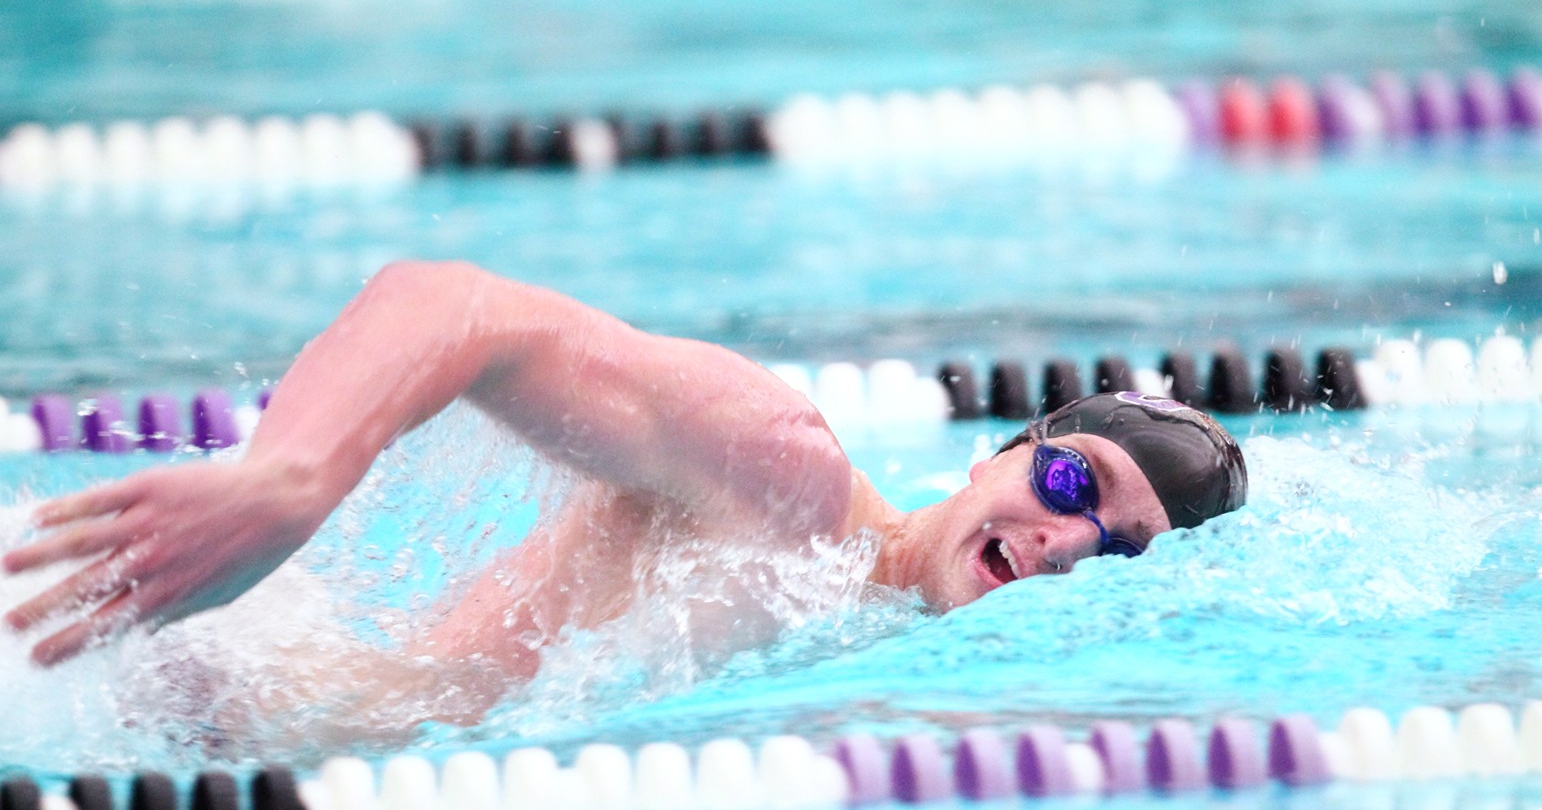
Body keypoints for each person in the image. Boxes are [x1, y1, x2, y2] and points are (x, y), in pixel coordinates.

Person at [2, 261, 1246, 727]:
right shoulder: (786, 479)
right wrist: (293, 477)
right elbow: (459, 306)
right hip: (160, 664)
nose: (1068, 538)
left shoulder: (899, 650)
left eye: (1119, 546)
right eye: (1074, 480)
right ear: (1002, 450)